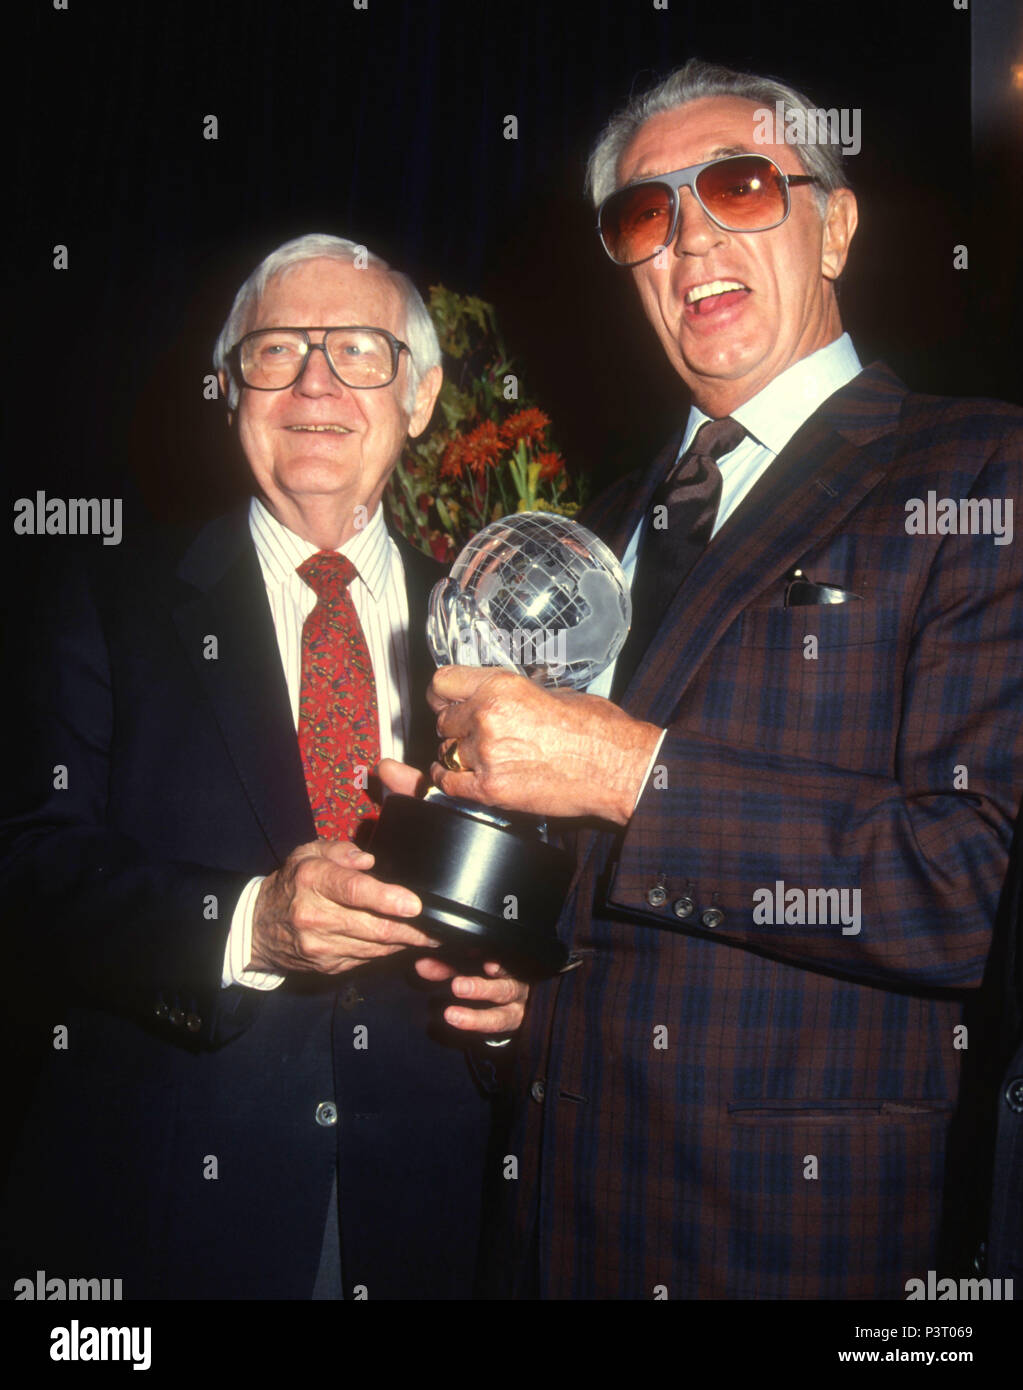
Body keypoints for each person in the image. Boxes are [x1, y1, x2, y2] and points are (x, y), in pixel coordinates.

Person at [425, 61, 1023, 1298]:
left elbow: (978, 881)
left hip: (796, 1245)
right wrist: (511, 982)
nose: (691, 231)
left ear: (838, 225)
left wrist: (628, 772)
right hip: (551, 1225)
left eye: (740, 184)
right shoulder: (594, 529)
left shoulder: (979, 469)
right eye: (647, 212)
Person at [0, 233, 526, 1300]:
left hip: (439, 1204)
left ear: (420, 396)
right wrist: (248, 924)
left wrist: (521, 990)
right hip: (162, 1207)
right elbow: (28, 870)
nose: (316, 382)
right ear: (231, 386)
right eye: (278, 349)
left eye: (359, 351)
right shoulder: (100, 594)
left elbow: (555, 892)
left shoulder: (495, 630)